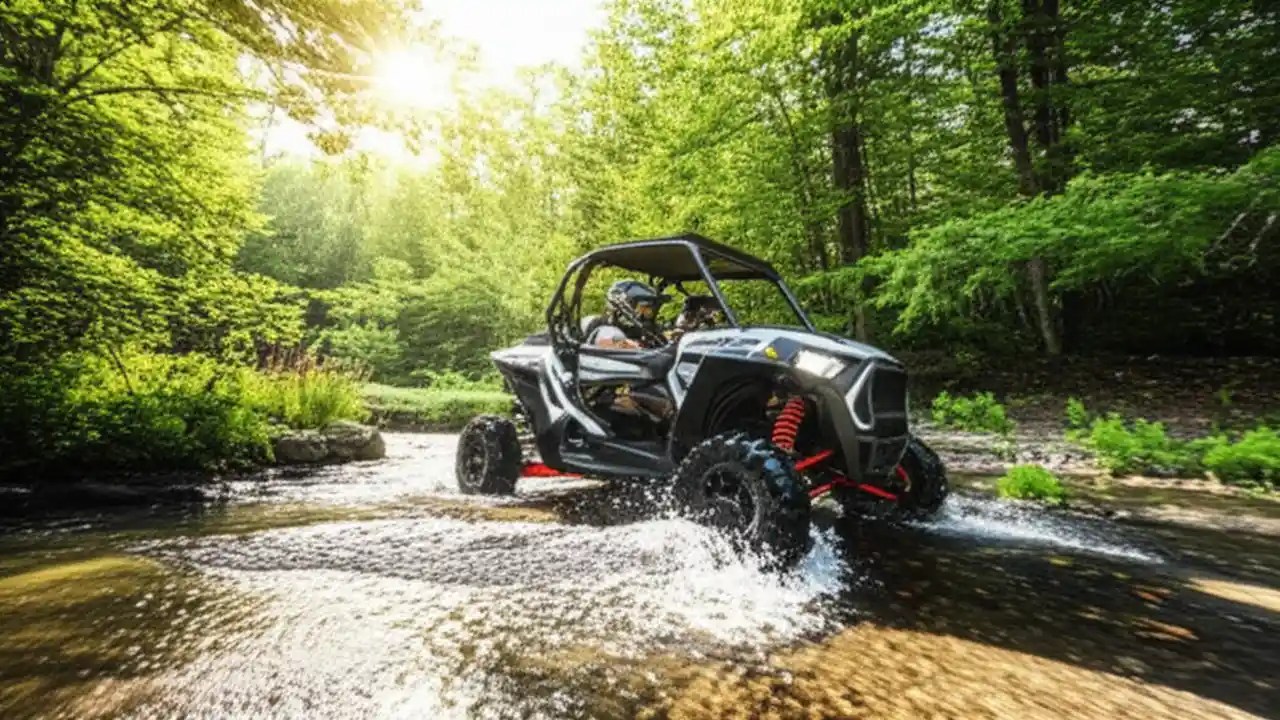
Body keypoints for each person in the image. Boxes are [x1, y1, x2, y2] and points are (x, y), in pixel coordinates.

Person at [587, 279, 669, 349]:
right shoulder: (600, 326)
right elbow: (603, 343)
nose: (648, 313)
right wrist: (626, 345)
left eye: (649, 309)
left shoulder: (645, 331)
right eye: (642, 308)